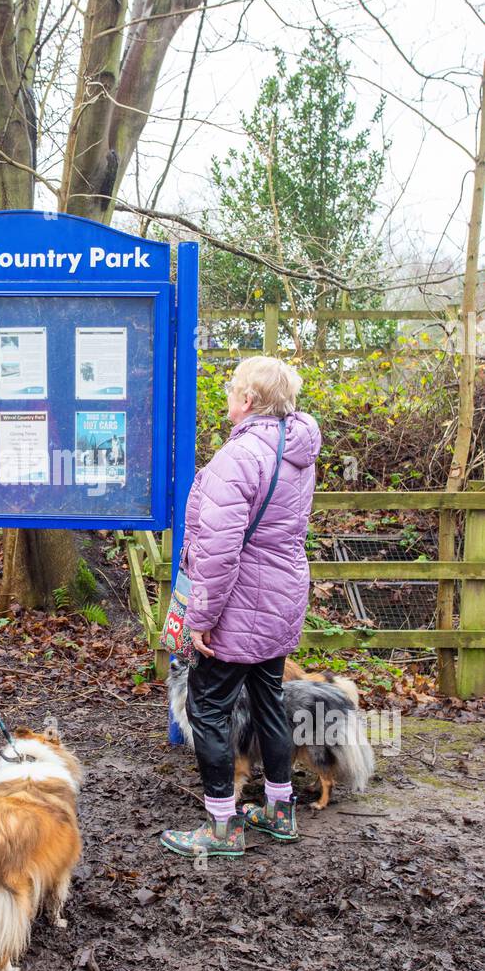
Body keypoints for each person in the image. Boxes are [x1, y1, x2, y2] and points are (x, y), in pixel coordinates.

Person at [161, 357, 321, 861]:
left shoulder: (239, 457)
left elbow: (218, 550)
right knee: (269, 701)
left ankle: (222, 826)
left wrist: (200, 619)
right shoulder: (298, 452)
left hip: (236, 607)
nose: (228, 396)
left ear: (248, 400)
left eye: (232, 389)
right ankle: (279, 809)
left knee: (206, 709)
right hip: (280, 600)